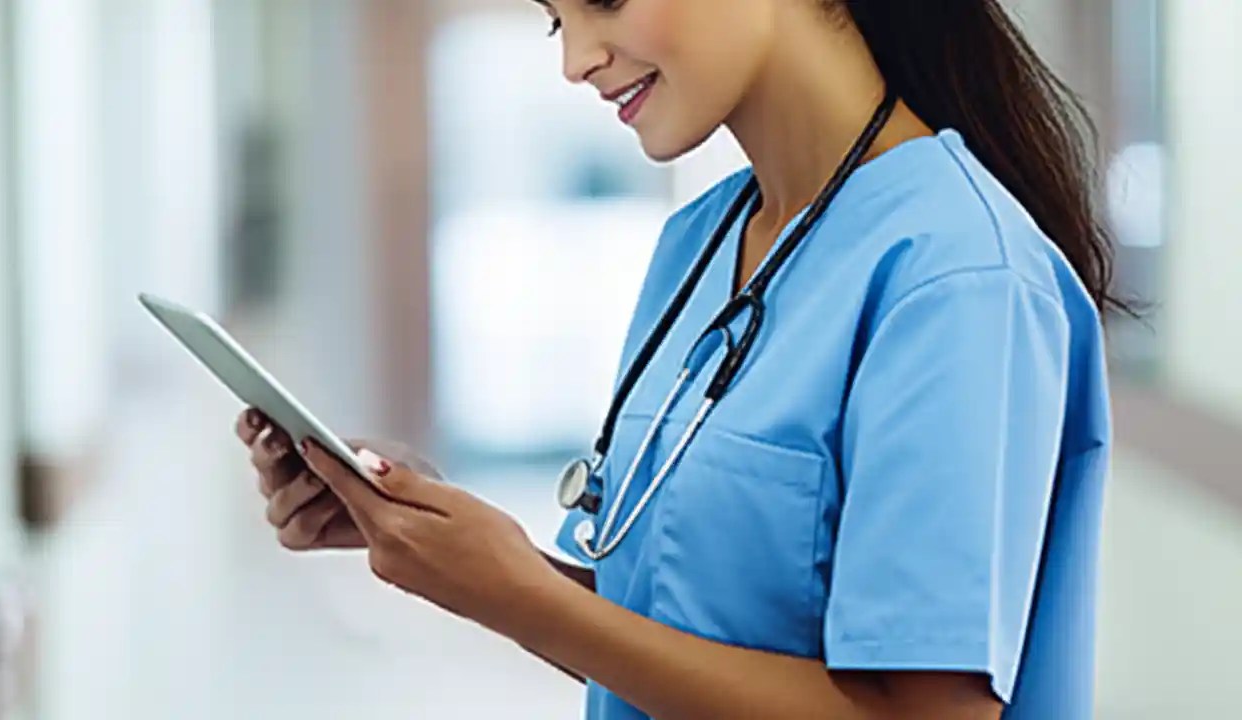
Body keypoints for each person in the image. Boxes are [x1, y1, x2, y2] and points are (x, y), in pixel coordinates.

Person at [235, 0, 1134, 717]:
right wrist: (450, 545)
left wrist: (517, 595)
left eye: (604, 2)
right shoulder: (701, 244)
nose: (574, 58)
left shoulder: (956, 274)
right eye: (555, 18)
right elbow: (673, 628)